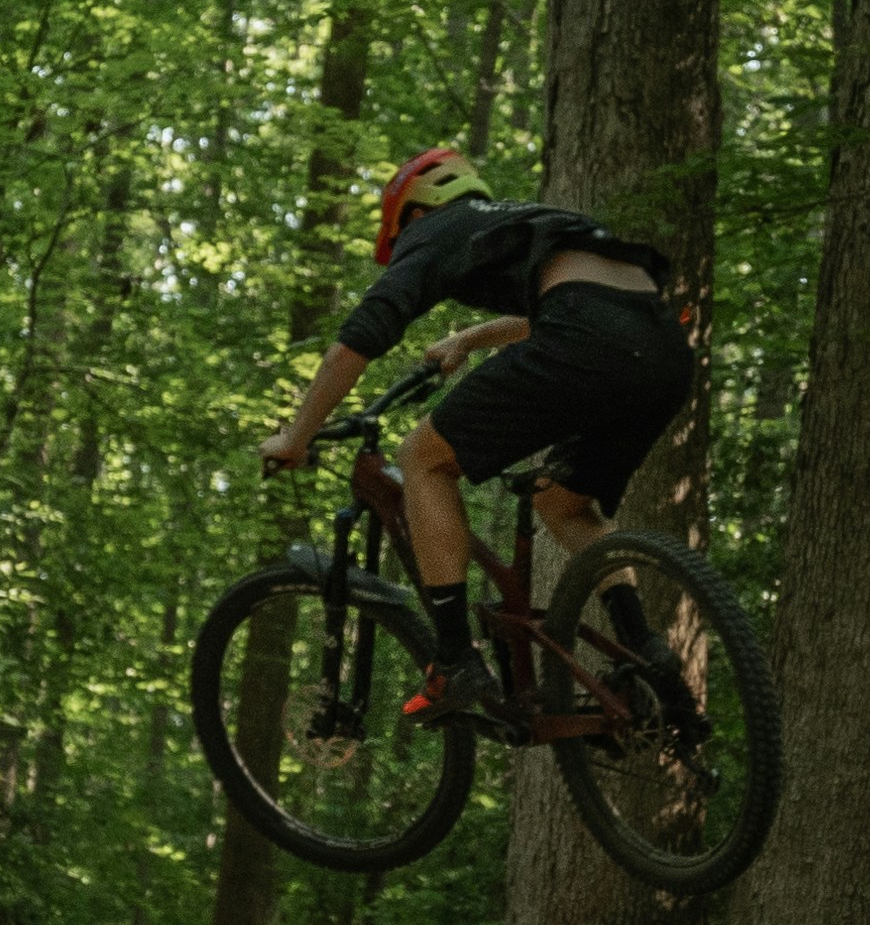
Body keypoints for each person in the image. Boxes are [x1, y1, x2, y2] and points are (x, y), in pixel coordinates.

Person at [259, 147, 696, 726]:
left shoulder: (433, 232)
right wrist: (470, 338)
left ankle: (454, 659)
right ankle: (646, 647)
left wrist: (297, 436)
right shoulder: (529, 220)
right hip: (665, 349)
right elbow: (589, 304)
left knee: (424, 459)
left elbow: (359, 340)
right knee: (565, 505)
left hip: (586, 336)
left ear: (412, 214)